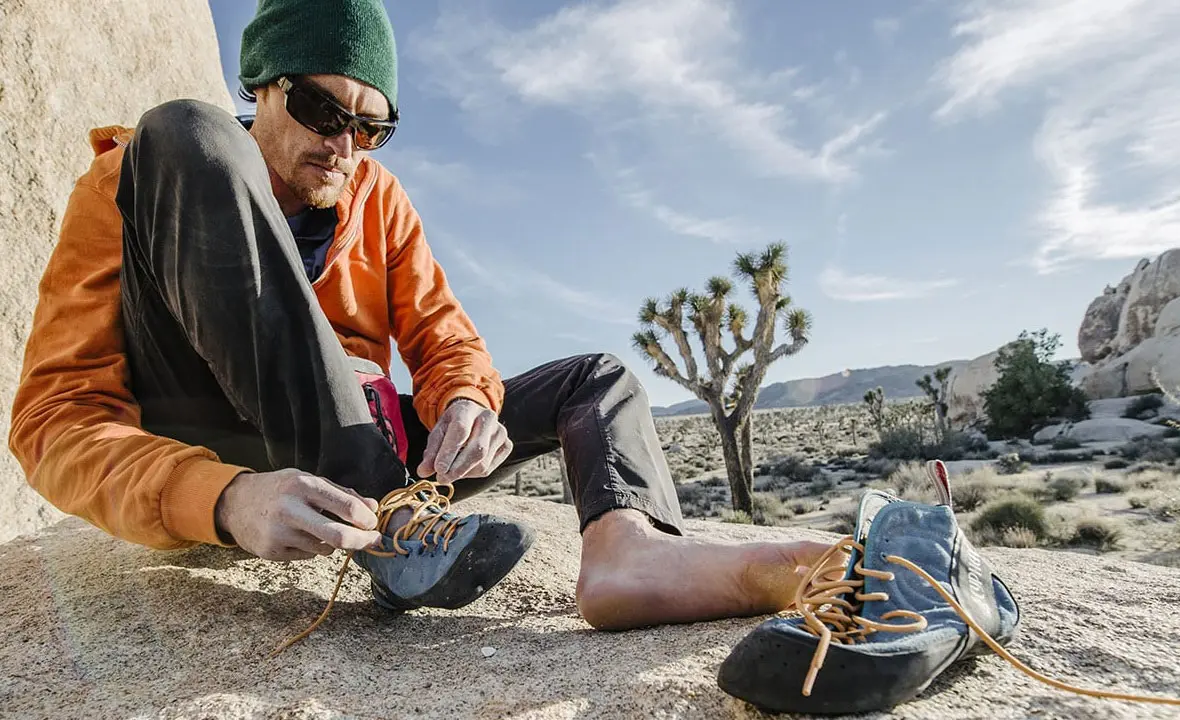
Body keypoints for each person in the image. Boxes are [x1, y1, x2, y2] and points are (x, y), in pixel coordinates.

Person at [8, 0, 833, 631]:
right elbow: (53, 421)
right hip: (225, 442)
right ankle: (397, 531)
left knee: (598, 380)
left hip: (364, 446)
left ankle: (631, 555)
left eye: (372, 126)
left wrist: (466, 400)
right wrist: (223, 498)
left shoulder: (377, 198)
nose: (346, 147)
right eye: (324, 112)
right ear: (260, 84)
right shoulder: (139, 178)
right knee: (181, 132)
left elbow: (442, 335)